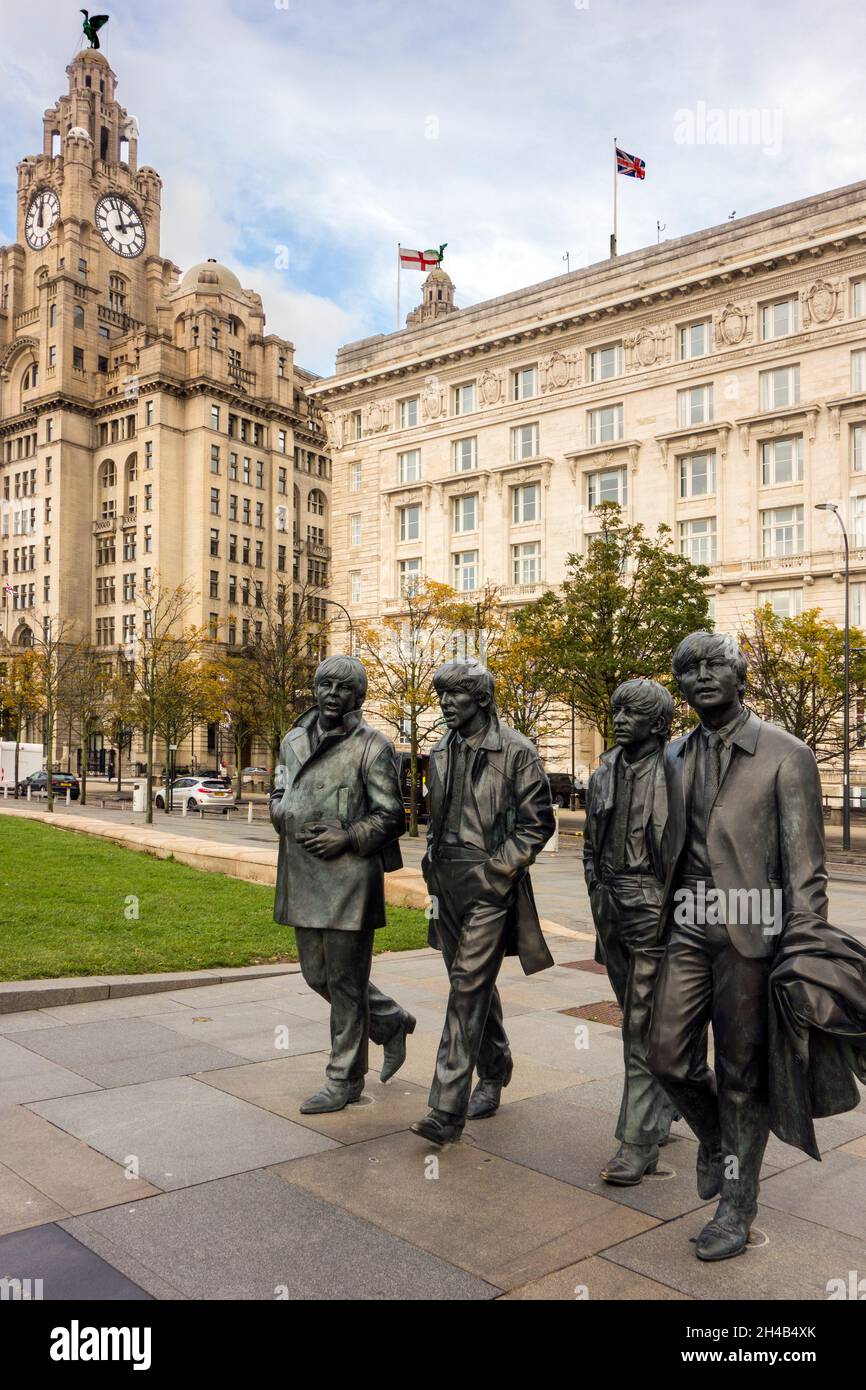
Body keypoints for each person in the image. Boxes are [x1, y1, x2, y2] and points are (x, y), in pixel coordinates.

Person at [647, 632, 828, 1261]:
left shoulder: (786, 753)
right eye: (687, 669)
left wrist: (803, 951)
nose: (699, 676)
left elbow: (807, 871)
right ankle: (716, 1139)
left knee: (742, 1075)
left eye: (712, 665)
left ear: (739, 674)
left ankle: (736, 1205)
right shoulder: (673, 754)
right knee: (666, 1055)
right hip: (690, 922)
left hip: (753, 929)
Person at [410, 658, 555, 1145]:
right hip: (446, 883)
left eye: (455, 696)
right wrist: (432, 868)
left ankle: (446, 1110)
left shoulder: (517, 751)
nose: (446, 704)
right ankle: (496, 1066)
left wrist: (496, 872)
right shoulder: (441, 749)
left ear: (483, 700)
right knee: (469, 982)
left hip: (490, 885)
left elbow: (538, 824)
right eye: (442, 695)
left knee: (467, 988)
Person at [270, 655, 415, 1114]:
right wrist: (284, 814)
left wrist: (348, 836)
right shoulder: (293, 739)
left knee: (347, 983)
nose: (332, 694)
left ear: (358, 696)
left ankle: (345, 1077)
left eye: (343, 687)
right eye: (325, 685)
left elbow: (392, 815)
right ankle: (390, 1021)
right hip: (303, 872)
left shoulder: (373, 747)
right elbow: (278, 793)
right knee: (318, 976)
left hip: (350, 877)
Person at [583, 679, 678, 1186]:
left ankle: (637, 1142)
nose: (620, 719)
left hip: (656, 909)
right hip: (612, 905)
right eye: (617, 709)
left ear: (659, 725)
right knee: (644, 1016)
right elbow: (590, 845)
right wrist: (597, 888)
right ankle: (669, 1103)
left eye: (633, 713)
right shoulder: (603, 772)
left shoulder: (680, 772)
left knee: (640, 1023)